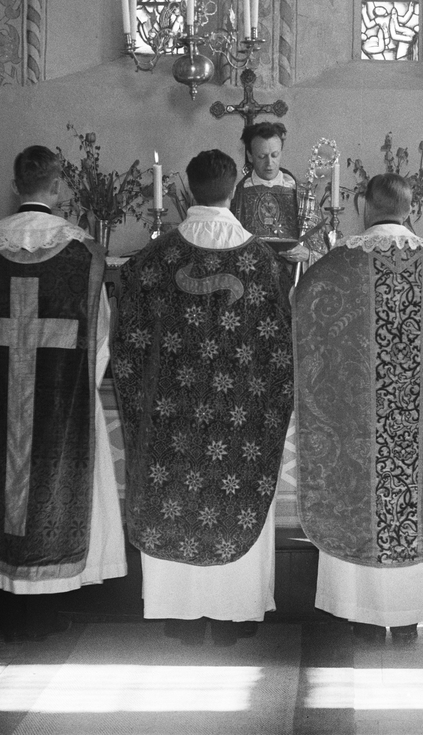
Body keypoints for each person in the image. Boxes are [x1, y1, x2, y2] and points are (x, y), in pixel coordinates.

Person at [294, 173, 423, 642]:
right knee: (412, 511)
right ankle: (406, 618)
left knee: (358, 506)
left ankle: (359, 615)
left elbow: (303, 328)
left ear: (363, 206)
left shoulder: (331, 270)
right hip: (420, 432)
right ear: (410, 210)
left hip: (356, 427)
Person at [112, 149, 294, 646]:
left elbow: (127, 346)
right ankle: (235, 613)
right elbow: (282, 349)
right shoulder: (262, 261)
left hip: (173, 422)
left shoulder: (152, 261)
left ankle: (180, 613)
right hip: (242, 422)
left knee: (176, 496)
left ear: (189, 191)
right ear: (235, 188)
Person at [0, 146, 126, 641]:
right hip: (58, 400)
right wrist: (78, 392)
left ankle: (6, 609)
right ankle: (47, 611)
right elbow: (100, 336)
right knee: (52, 490)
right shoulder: (80, 252)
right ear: (58, 186)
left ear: (15, 184)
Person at [230, 121, 321, 269]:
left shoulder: (302, 195)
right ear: (250, 156)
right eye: (262, 156)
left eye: (275, 155)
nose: (269, 163)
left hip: (293, 281)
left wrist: (308, 254)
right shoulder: (236, 197)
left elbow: (322, 249)